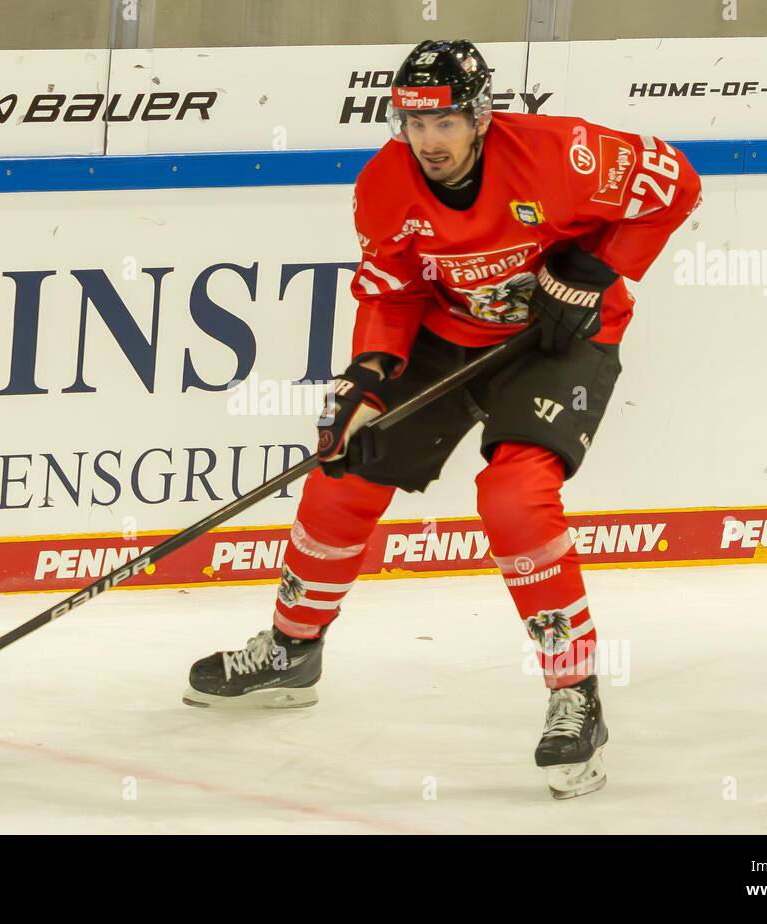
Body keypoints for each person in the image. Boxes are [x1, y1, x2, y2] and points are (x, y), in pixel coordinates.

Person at [183, 39, 702, 799]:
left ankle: (575, 694)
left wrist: (591, 269)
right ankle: (293, 650)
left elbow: (678, 184)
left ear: (480, 116)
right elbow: (391, 293)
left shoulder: (566, 155)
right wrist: (365, 377)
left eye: (445, 122)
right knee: (342, 471)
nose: (429, 141)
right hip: (449, 336)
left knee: (514, 496)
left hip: (561, 339)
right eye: (413, 123)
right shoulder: (383, 185)